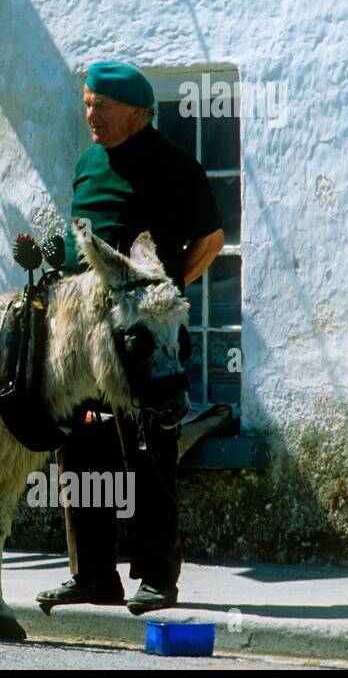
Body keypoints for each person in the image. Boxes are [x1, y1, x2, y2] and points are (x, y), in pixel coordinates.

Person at [36, 61, 223, 615]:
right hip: (87, 341)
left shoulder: (175, 166)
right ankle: (93, 575)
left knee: (149, 455)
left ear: (138, 113)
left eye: (104, 107)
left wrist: (154, 297)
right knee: (82, 452)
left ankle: (158, 577)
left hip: (143, 342)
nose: (92, 115)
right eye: (88, 103)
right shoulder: (88, 163)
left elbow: (211, 240)